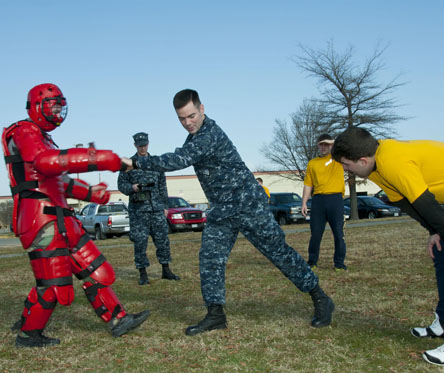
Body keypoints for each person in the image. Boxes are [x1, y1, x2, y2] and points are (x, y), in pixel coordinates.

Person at [122, 89, 334, 336]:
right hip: (222, 211)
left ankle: (320, 298)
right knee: (210, 258)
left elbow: (179, 160)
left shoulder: (209, 134)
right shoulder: (194, 138)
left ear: (202, 108)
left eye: (191, 115)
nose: (187, 122)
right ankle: (215, 315)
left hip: (248, 206)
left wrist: (136, 162)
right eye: (182, 118)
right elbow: (184, 154)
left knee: (279, 253)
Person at [332, 126, 444, 366]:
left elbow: (425, 200)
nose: (345, 169)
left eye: (346, 165)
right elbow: (408, 204)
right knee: (442, 252)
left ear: (362, 160)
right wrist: (435, 232)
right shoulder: (376, 168)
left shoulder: (392, 161)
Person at [2, 83, 149, 347]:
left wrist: (94, 194)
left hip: (62, 217)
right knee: (53, 285)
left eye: (60, 106)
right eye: (53, 106)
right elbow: (44, 162)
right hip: (41, 220)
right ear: (38, 106)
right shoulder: (24, 132)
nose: (58, 111)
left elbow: (61, 182)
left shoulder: (43, 138)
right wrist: (98, 158)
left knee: (96, 269)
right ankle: (28, 334)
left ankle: (119, 319)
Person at [118, 132, 179, 285]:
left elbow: (163, 187)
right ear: (135, 146)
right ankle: (143, 273)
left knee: (163, 240)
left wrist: (165, 206)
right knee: (140, 242)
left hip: (157, 209)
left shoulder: (156, 163)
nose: (143, 147)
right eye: (140, 145)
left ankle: (166, 270)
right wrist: (132, 187)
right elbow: (121, 185)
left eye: (145, 144)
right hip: (138, 211)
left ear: (148, 143)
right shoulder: (128, 164)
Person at [301, 134, 347, 271]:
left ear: (331, 145)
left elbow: (344, 147)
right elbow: (308, 184)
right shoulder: (312, 163)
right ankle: (312, 262)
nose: (323, 147)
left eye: (326, 144)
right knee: (315, 234)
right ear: (318, 145)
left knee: (339, 234)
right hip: (318, 201)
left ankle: (339, 264)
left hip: (336, 199)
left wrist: (332, 143)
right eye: (321, 144)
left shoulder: (337, 159)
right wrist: (304, 202)